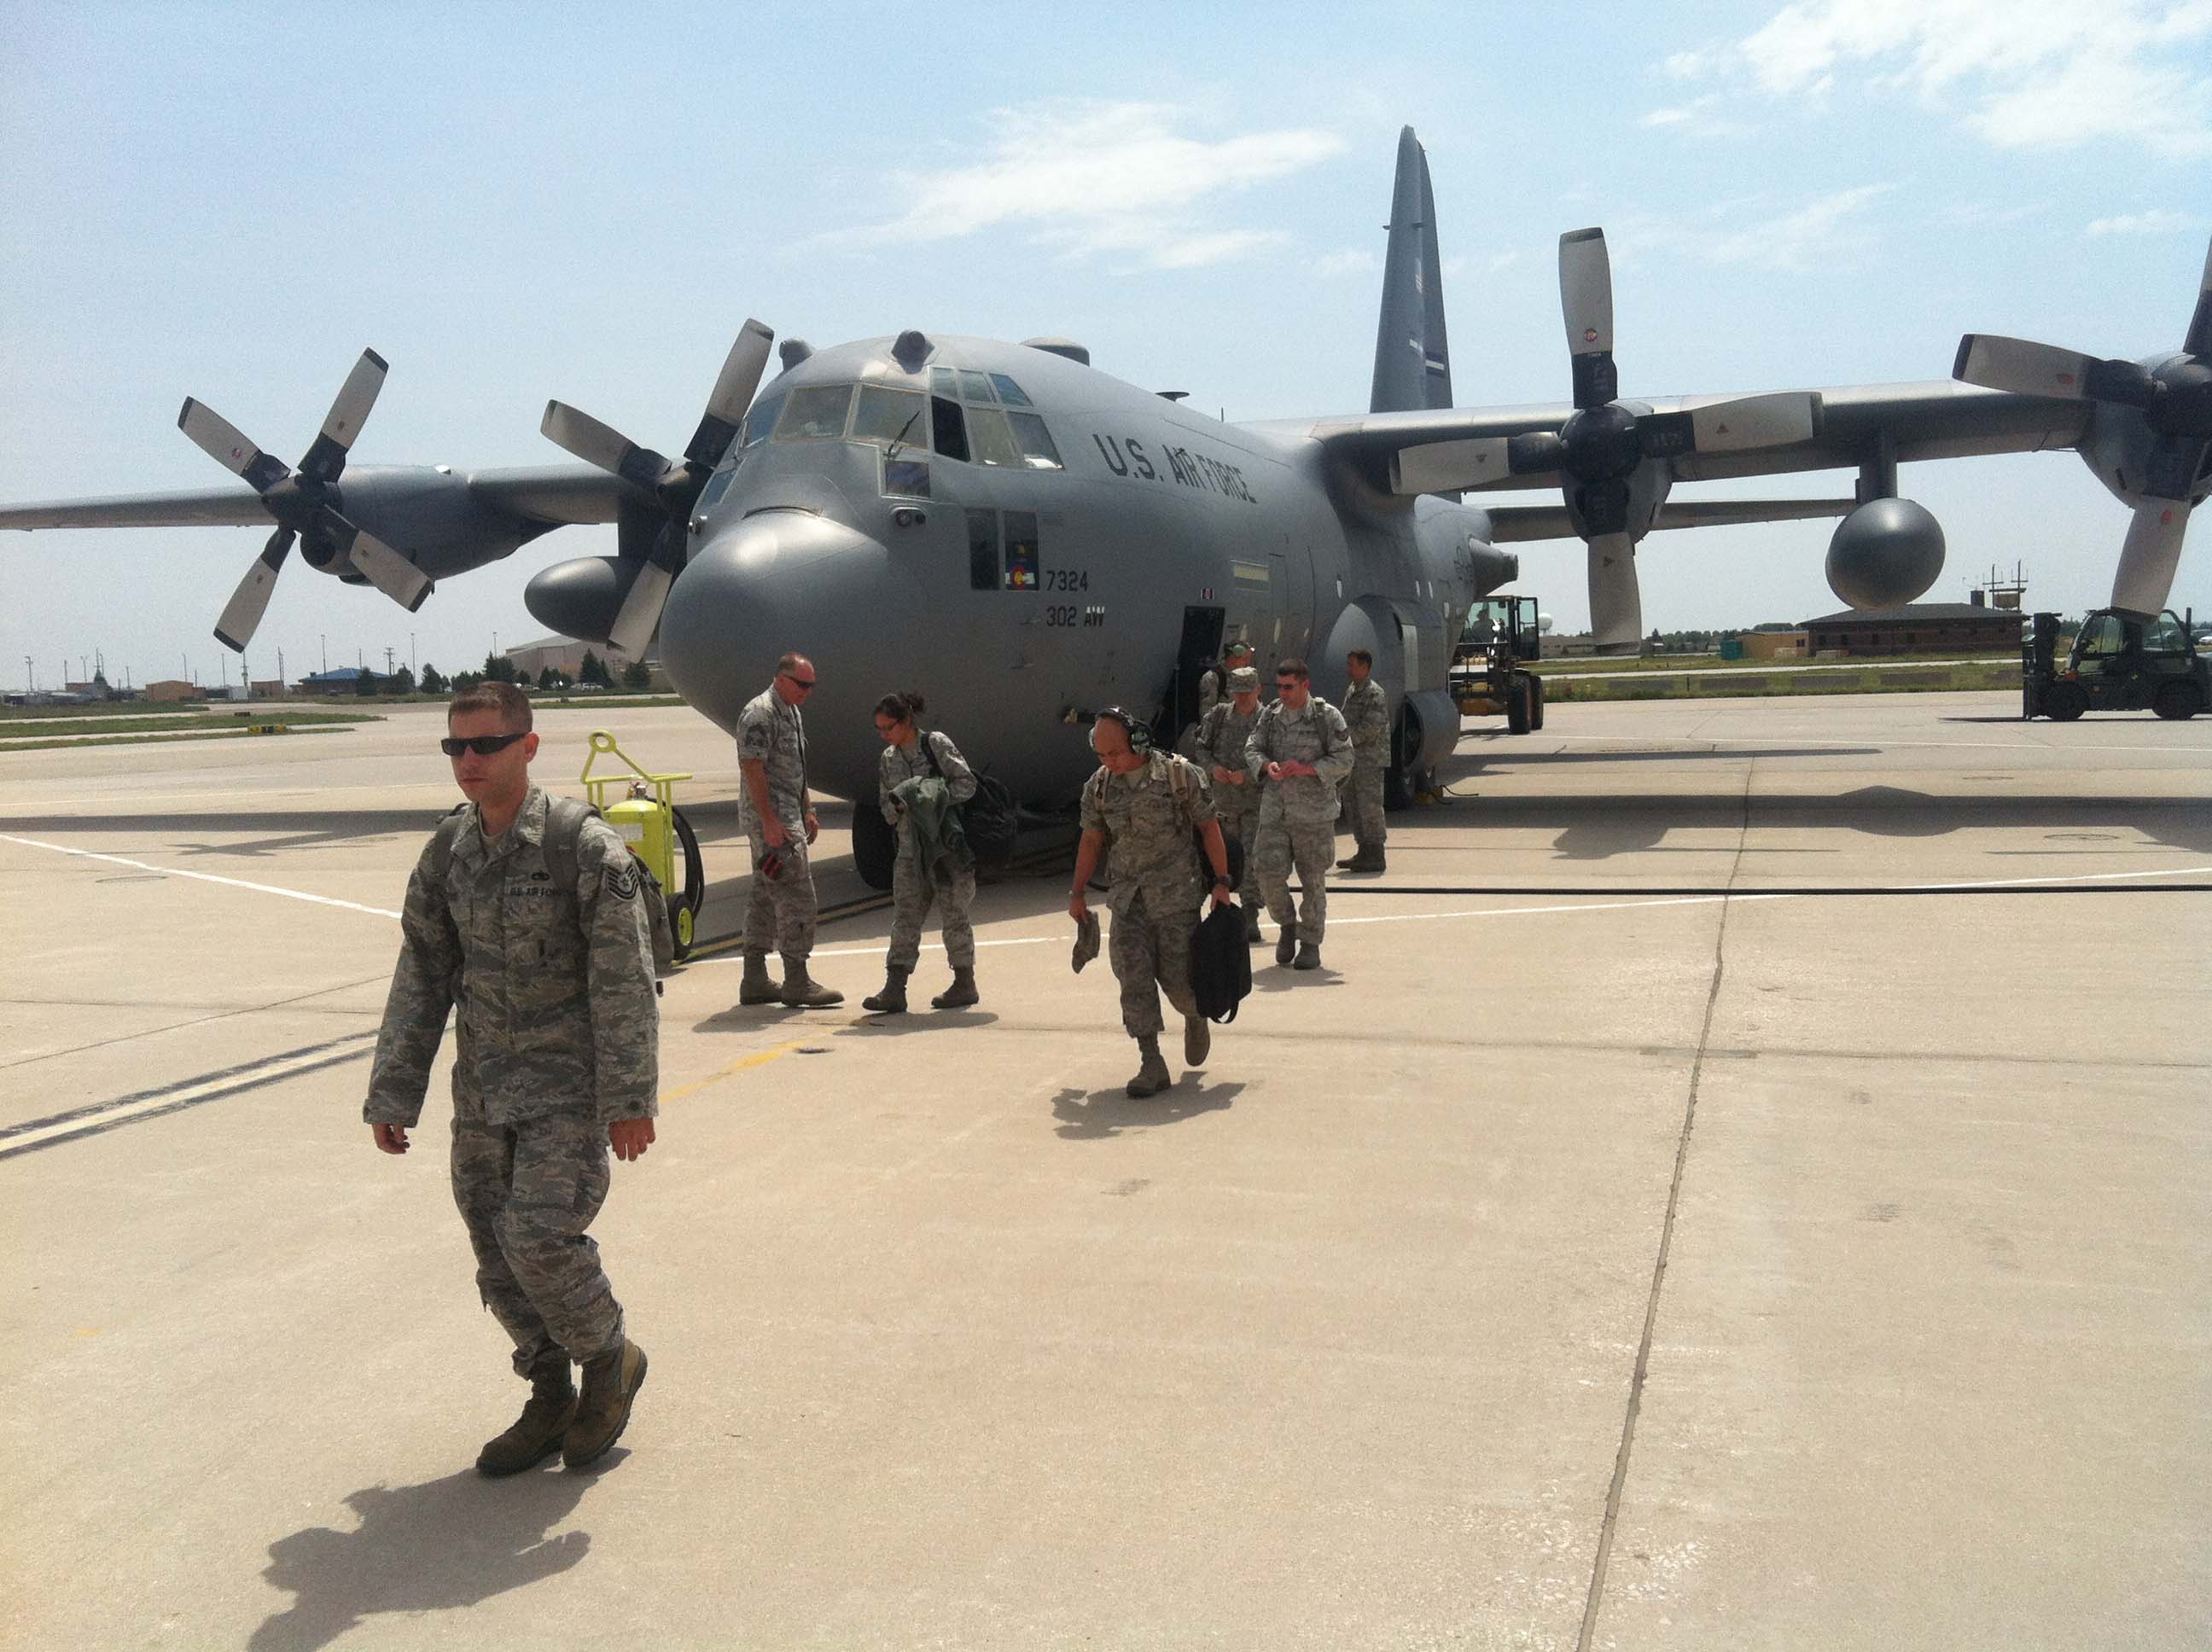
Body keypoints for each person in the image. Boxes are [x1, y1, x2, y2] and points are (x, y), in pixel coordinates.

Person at [364, 681, 656, 1476]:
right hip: (483, 1096)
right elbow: (421, 974)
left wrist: (630, 1100)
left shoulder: (581, 847)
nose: (468, 761)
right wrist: (394, 1091)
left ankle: (609, 1361)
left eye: (486, 745)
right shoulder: (448, 851)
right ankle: (549, 1391)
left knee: (538, 1238)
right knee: (496, 1252)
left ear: (527, 747)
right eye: (455, 747)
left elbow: (625, 979)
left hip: (568, 1093)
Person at [1068, 708, 1236, 1097]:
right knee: (1132, 977)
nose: (1110, 762)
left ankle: (1195, 1016)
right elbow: (1091, 840)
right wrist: (1077, 893)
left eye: (1116, 754)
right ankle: (1151, 1061)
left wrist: (1223, 883)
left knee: (1180, 982)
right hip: (1128, 900)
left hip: (1177, 897)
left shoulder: (1180, 776)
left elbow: (1209, 828)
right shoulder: (1099, 787)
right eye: (1102, 756)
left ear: (1140, 743)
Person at [736, 651, 842, 1008]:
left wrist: (808, 808)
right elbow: (753, 768)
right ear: (781, 679)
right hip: (774, 821)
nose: (808, 691)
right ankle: (797, 980)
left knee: (764, 894)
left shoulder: (791, 711)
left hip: (787, 815)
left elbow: (794, 767)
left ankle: (754, 979)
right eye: (802, 684)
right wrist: (769, 822)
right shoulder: (760, 713)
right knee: (797, 896)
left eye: (812, 686)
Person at [864, 690, 981, 1013]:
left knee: (954, 915)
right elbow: (886, 807)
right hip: (909, 851)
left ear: (906, 722)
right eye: (879, 730)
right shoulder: (889, 759)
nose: (884, 735)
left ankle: (964, 983)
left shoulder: (935, 745)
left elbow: (966, 784)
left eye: (888, 728)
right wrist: (900, 805)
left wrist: (928, 796)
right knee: (905, 918)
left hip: (943, 849)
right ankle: (894, 988)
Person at [1244, 658, 1354, 971]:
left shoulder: (1326, 717)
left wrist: (1308, 769)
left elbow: (1345, 759)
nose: (1283, 693)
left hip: (1313, 814)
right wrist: (1267, 766)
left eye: (1288, 687)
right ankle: (1287, 925)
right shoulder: (1270, 715)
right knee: (1266, 872)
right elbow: (1252, 748)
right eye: (1278, 686)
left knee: (1312, 881)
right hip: (1276, 811)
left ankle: (1310, 943)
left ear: (1305, 684)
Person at [1193, 665, 1266, 941]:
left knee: (1251, 858)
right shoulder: (1219, 716)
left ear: (1258, 690)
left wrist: (1247, 775)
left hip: (1255, 802)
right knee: (1219, 858)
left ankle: (1250, 913)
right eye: (1238, 693)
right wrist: (1212, 768)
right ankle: (1220, 908)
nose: (1243, 699)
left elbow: (1275, 759)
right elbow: (1201, 746)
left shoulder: (1268, 720)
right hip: (1222, 803)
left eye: (1248, 693)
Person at [1338, 649, 1390, 874]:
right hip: (1353, 760)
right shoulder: (1353, 690)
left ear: (1365, 666)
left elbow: (1371, 727)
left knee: (1369, 806)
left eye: (1352, 664)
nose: (1348, 669)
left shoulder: (1374, 693)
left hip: (1369, 760)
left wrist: (1345, 740)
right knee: (1353, 806)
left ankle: (1376, 854)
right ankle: (1363, 850)